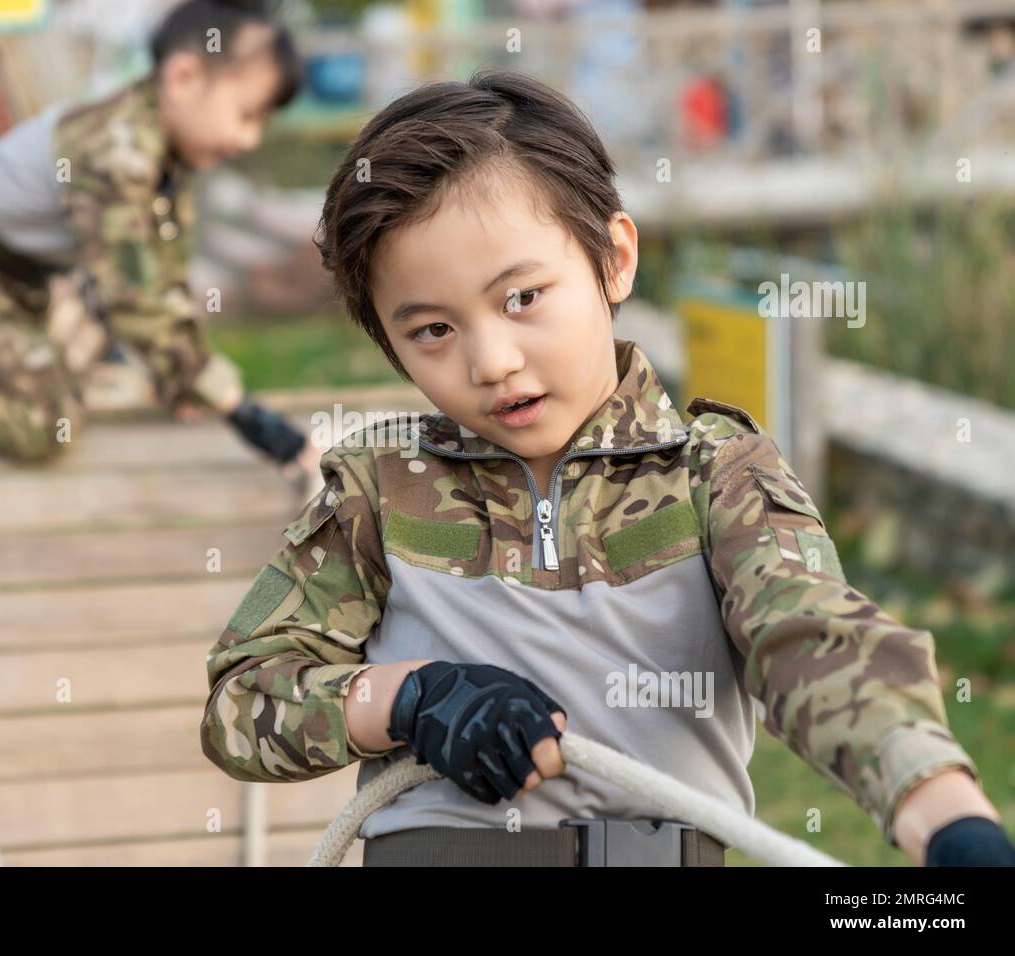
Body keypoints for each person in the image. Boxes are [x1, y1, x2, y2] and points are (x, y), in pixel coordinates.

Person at [199, 70, 1015, 867]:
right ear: (387, 338)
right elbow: (241, 700)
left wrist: (946, 817)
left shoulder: (717, 476)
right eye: (433, 331)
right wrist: (406, 697)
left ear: (614, 259)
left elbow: (814, 639)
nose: (492, 360)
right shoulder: (378, 492)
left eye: (522, 297)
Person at [0, 0, 320, 484]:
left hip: (1, 282)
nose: (249, 138)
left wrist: (182, 377)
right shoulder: (115, 152)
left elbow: (160, 281)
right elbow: (137, 300)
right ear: (183, 77)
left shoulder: (155, 150)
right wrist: (245, 413)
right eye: (247, 115)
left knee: (104, 385)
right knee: (47, 418)